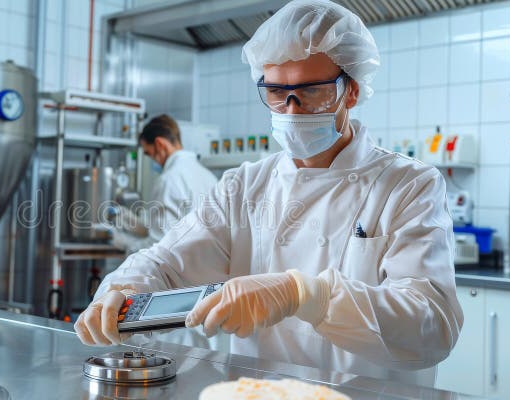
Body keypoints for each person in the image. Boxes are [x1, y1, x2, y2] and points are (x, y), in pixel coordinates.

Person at [75, 0, 463, 386]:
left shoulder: (409, 185)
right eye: (277, 92)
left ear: (351, 92)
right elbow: (165, 262)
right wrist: (123, 289)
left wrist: (307, 294)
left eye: (311, 92)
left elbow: (432, 325)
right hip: (258, 393)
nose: (291, 110)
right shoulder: (243, 187)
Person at [108, 114, 218, 254]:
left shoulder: (169, 179)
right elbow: (177, 227)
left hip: (181, 270)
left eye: (149, 153)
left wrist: (126, 244)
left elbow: (160, 245)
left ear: (160, 144)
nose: (153, 160)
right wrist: (137, 224)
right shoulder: (208, 176)